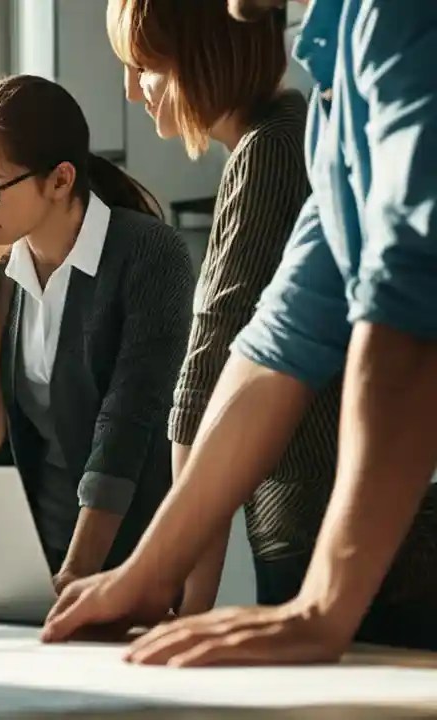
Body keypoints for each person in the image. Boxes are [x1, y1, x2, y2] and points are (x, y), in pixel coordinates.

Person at [43, 0, 437, 663]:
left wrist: (321, 606)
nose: (132, 88)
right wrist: (150, 571)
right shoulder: (330, 87)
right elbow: (285, 333)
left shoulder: (393, 16)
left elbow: (408, 311)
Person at [108, 0, 362, 618]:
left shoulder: (268, 150)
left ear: (201, 55)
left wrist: (182, 600)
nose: (133, 91)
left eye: (145, 67)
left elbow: (207, 375)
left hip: (310, 516)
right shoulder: (284, 133)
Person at [0, 74, 193, 593]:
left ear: (59, 180)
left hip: (125, 565)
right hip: (34, 565)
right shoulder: (0, 272)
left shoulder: (150, 253)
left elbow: (127, 425)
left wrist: (77, 573)